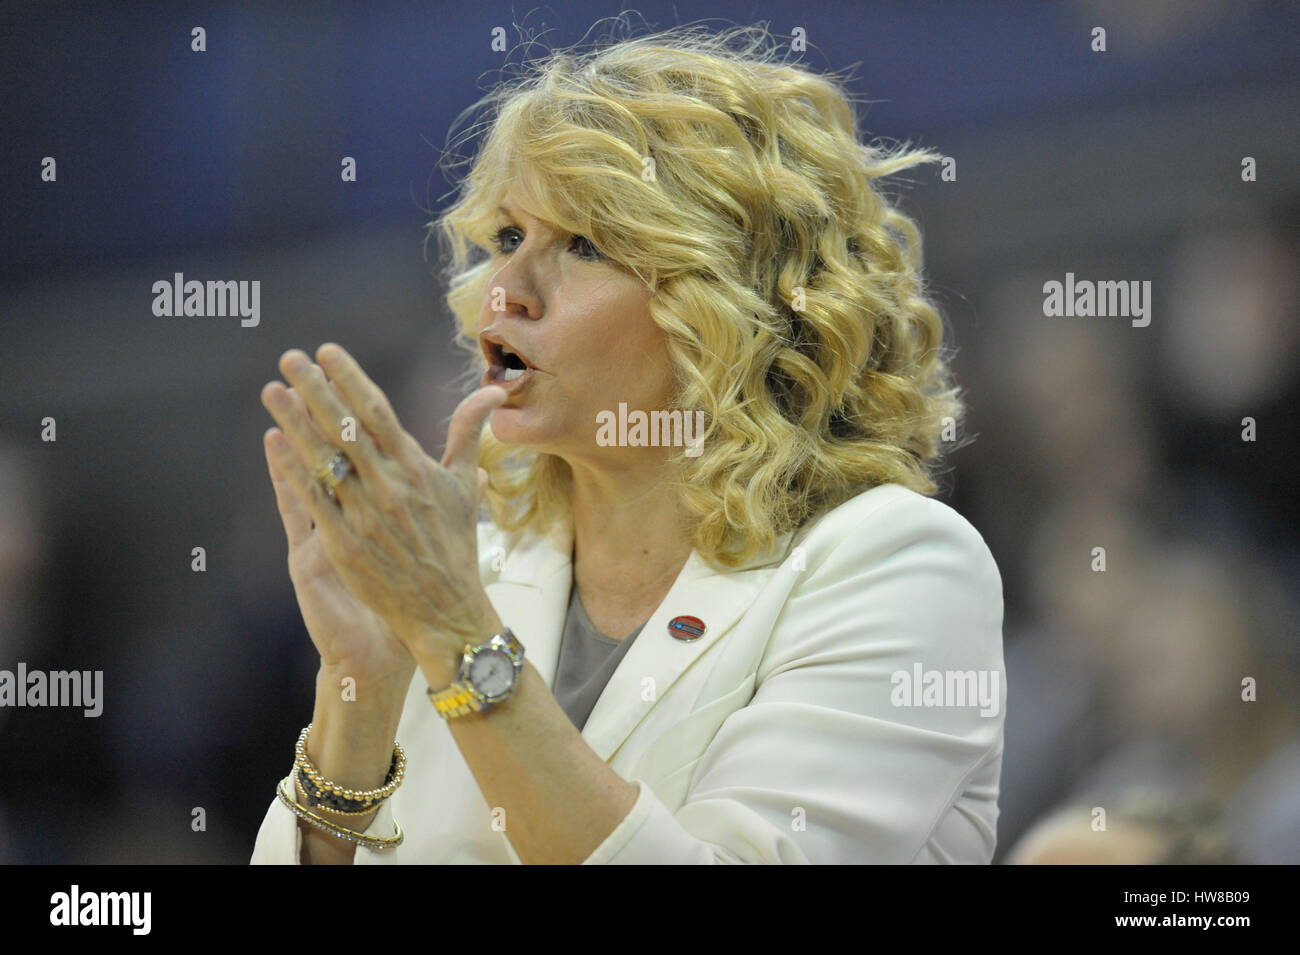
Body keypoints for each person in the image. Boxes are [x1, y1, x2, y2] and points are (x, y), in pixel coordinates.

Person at [250, 22, 1004, 865]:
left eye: (585, 244)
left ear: (731, 303)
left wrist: (458, 638)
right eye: (507, 239)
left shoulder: (897, 564)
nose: (507, 290)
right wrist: (361, 683)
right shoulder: (469, 572)